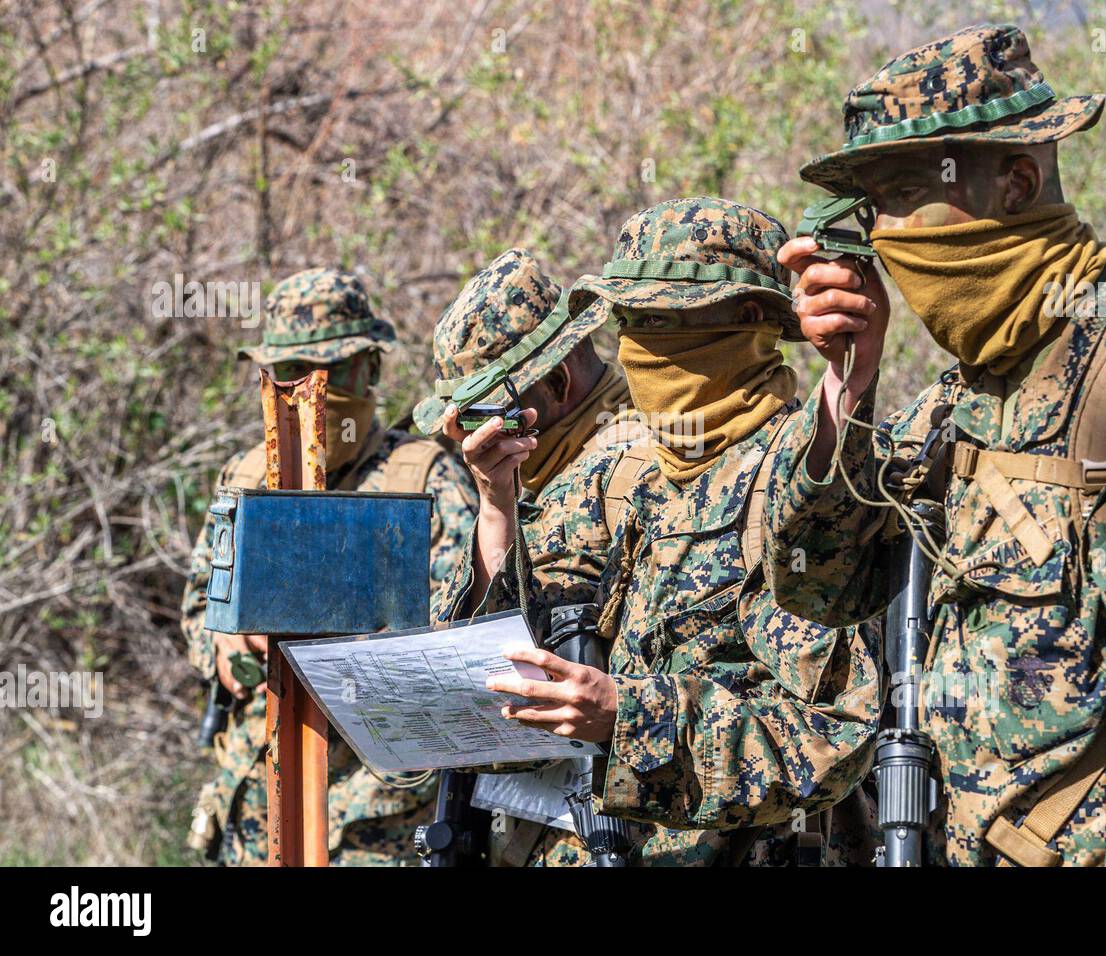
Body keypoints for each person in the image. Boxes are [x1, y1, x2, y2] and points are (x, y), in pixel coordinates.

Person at [764, 23, 1106, 865]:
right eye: (873, 208)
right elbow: (817, 584)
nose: (886, 238)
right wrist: (847, 387)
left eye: (906, 191)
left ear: (1017, 182)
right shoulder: (954, 402)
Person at [441, 198, 880, 866]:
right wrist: (497, 504)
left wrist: (628, 719)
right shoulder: (628, 477)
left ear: (755, 321)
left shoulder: (809, 475)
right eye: (634, 319)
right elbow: (508, 668)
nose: (647, 346)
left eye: (673, 320)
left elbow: (830, 738)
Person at [182, 267, 477, 865]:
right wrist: (230, 647)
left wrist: (347, 642)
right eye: (289, 372)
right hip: (252, 803)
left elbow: (461, 639)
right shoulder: (246, 479)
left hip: (372, 818)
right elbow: (197, 607)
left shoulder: (424, 480)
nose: (308, 389)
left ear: (370, 368)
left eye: (329, 370)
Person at [413, 247, 644, 866]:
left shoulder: (632, 460)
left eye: (489, 411)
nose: (472, 438)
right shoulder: (535, 472)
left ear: (560, 383)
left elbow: (514, 658)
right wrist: (495, 507)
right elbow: (467, 654)